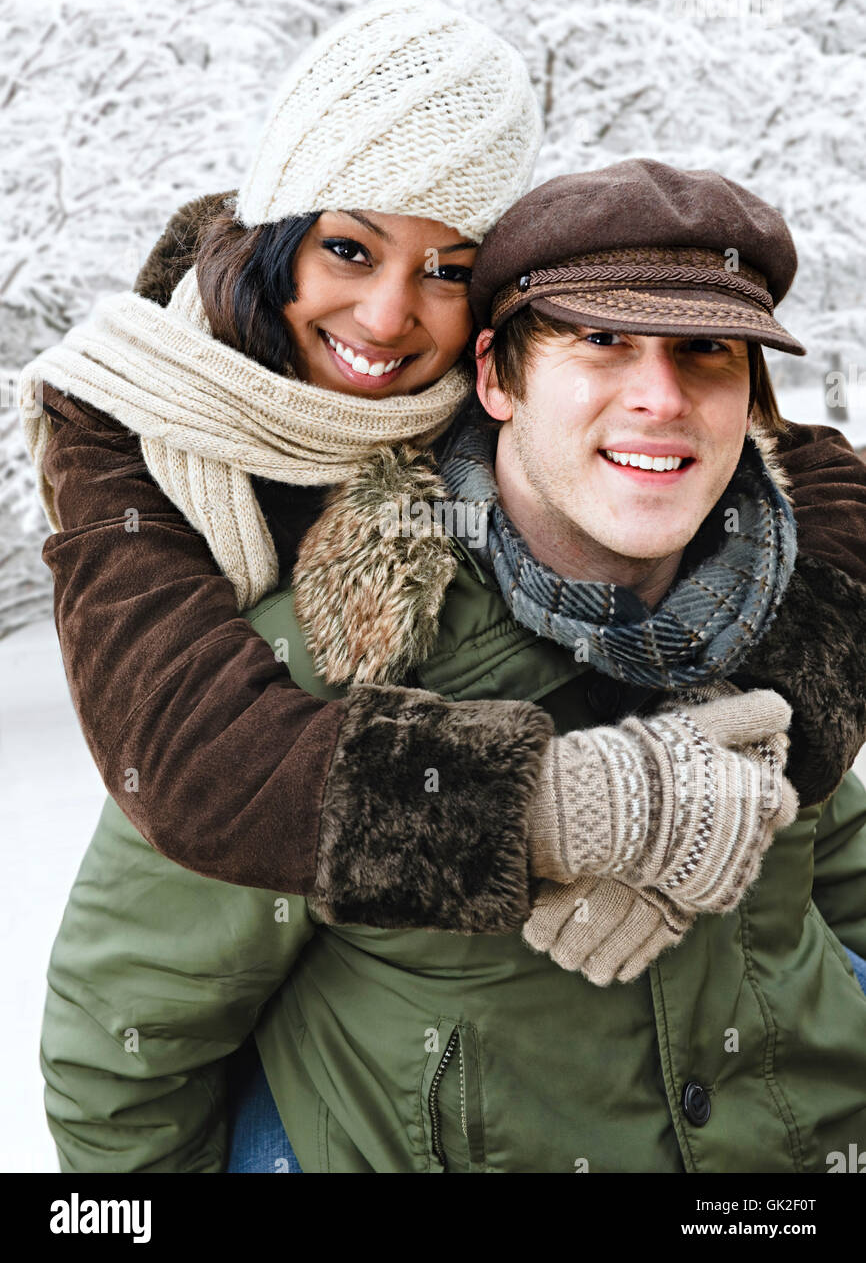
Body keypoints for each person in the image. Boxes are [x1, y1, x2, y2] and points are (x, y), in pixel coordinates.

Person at [36, 161, 866, 1172]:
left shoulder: (772, 609)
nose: (659, 395)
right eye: (600, 340)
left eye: (707, 352)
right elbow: (124, 1046)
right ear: (495, 377)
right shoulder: (328, 658)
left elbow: (836, 890)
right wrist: (553, 815)